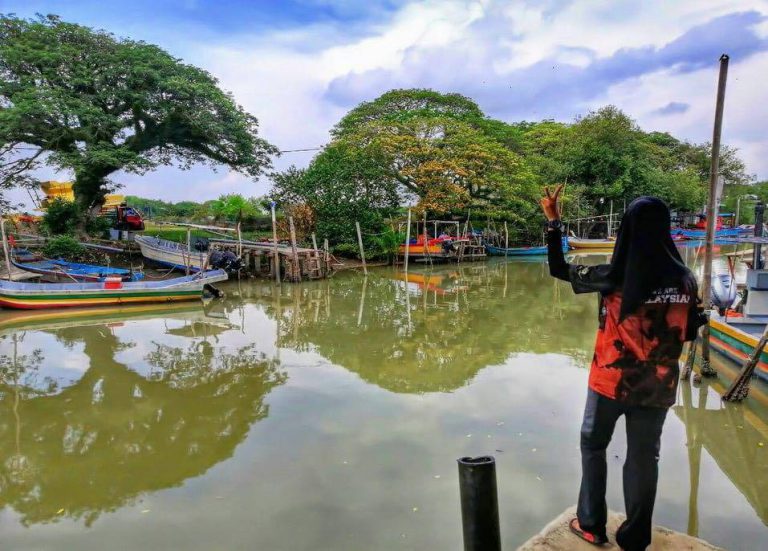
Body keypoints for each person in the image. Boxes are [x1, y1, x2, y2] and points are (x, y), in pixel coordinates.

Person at [540, 185, 703, 551]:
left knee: (593, 445)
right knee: (645, 457)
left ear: (627, 230)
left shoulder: (613, 275)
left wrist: (554, 222)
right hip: (657, 386)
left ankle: (592, 525)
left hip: (609, 381)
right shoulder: (686, 280)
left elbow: (557, 268)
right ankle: (635, 537)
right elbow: (689, 332)